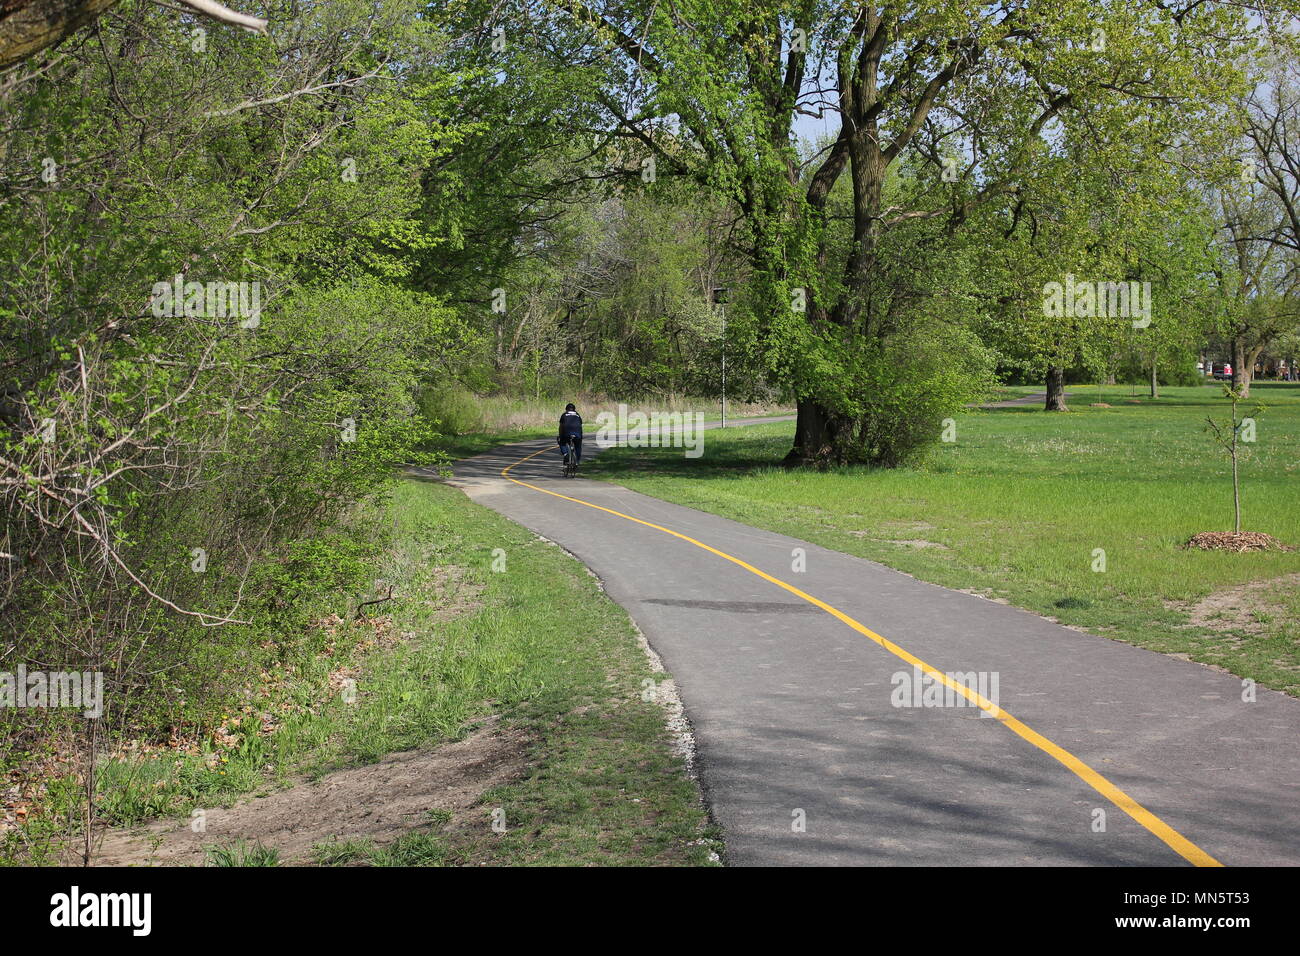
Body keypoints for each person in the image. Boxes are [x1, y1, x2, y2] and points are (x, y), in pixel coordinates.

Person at [557, 402, 583, 468]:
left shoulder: (564, 414)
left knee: (562, 442)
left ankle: (566, 454)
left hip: (567, 433)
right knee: (578, 446)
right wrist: (581, 437)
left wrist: (560, 436)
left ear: (566, 409)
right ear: (574, 409)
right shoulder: (578, 415)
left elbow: (561, 427)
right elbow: (580, 426)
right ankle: (577, 461)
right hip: (577, 433)